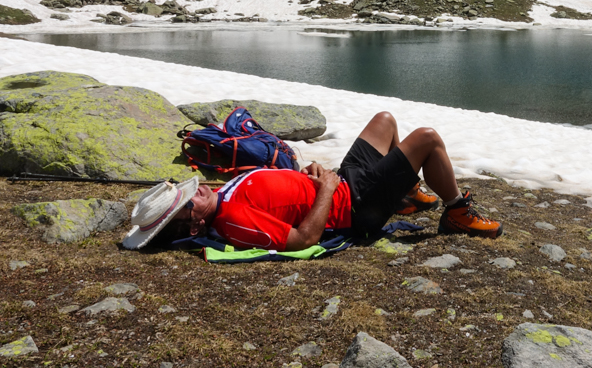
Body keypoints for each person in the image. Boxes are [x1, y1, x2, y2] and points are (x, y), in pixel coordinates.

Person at [122, 111, 502, 251]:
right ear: (194, 224)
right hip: (353, 205)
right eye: (187, 201)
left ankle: (406, 192)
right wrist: (326, 191)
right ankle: (457, 212)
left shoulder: (221, 197)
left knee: (384, 121)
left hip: (340, 184)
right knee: (427, 139)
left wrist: (310, 175)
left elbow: (282, 194)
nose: (195, 190)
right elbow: (303, 239)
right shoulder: (233, 221)